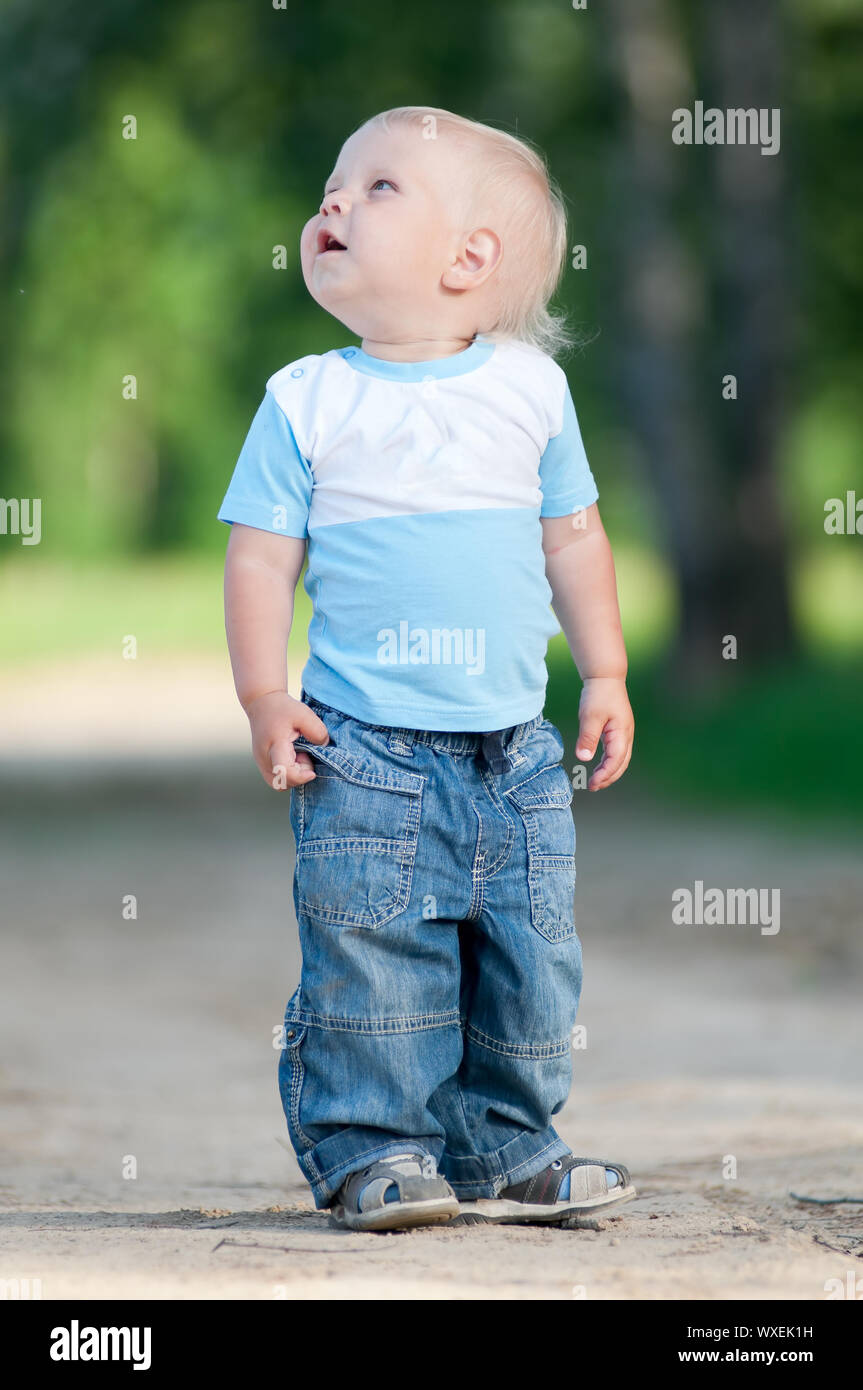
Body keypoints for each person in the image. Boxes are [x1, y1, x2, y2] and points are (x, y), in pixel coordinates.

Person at [217, 106, 636, 1232]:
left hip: (512, 747)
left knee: (529, 960)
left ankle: (506, 1145)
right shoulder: (307, 399)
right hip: (364, 746)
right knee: (373, 956)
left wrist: (603, 670)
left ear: (469, 260)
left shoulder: (529, 391)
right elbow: (259, 557)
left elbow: (572, 537)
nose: (333, 204)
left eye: (376, 187)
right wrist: (266, 693)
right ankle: (376, 1147)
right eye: (331, 186)